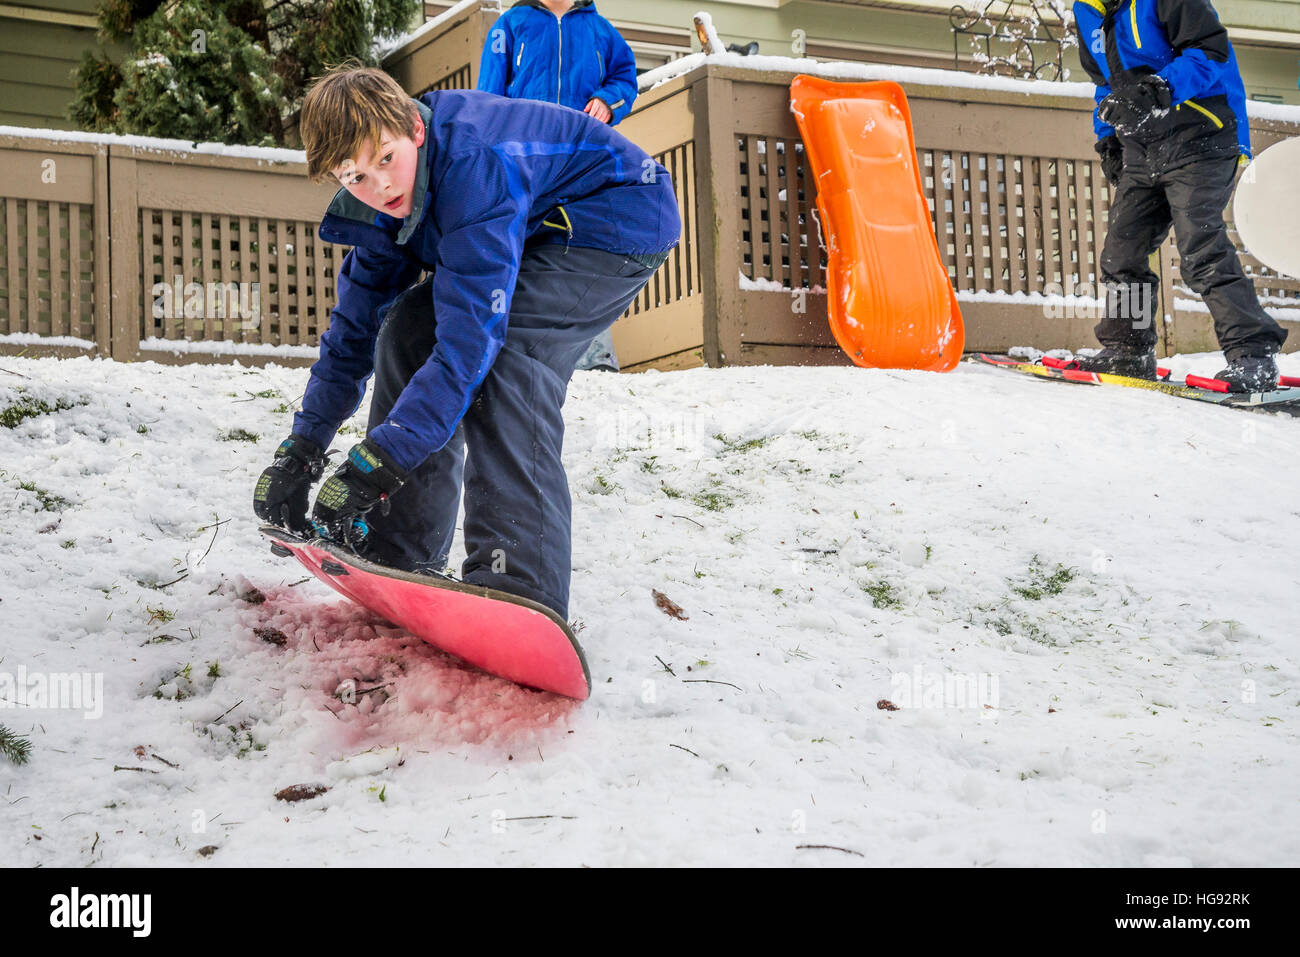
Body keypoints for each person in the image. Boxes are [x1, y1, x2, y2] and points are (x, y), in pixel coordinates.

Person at [253, 64, 679, 619]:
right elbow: (350, 336)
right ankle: (398, 549)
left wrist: (381, 459)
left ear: (415, 129)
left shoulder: (475, 167)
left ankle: (519, 585)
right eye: (354, 176)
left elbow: (467, 345)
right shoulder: (379, 208)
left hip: (616, 219)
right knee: (407, 330)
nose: (379, 185)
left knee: (507, 360)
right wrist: (303, 450)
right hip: (536, 224)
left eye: (385, 158)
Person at [1070, 0, 1287, 391]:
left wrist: (1157, 89)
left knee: (1200, 249)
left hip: (1201, 135)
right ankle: (1128, 350)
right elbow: (1104, 83)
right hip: (1142, 147)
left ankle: (1253, 354)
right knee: (1123, 254)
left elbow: (1210, 53)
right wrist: (1108, 142)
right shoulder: (1086, 9)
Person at [478, 0, 642, 372]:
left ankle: (595, 358)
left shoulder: (601, 30)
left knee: (582, 249)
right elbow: (487, 99)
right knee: (515, 248)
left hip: (580, 161)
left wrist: (607, 101)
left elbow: (625, 77)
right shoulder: (510, 25)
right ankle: (507, 352)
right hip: (522, 162)